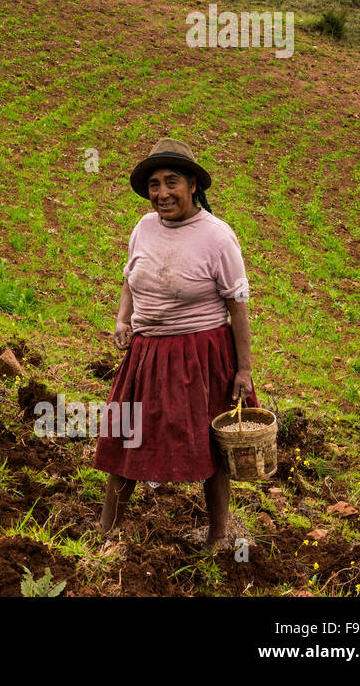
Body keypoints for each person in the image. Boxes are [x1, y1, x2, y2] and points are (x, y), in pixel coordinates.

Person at [94, 138, 258, 550]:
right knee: (127, 437)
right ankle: (106, 533)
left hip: (199, 355)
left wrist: (244, 369)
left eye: (172, 182)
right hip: (146, 353)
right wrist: (122, 318)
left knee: (208, 446)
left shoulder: (217, 237)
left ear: (192, 186)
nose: (162, 193)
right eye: (154, 185)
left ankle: (219, 535)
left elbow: (238, 308)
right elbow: (130, 279)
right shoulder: (143, 228)